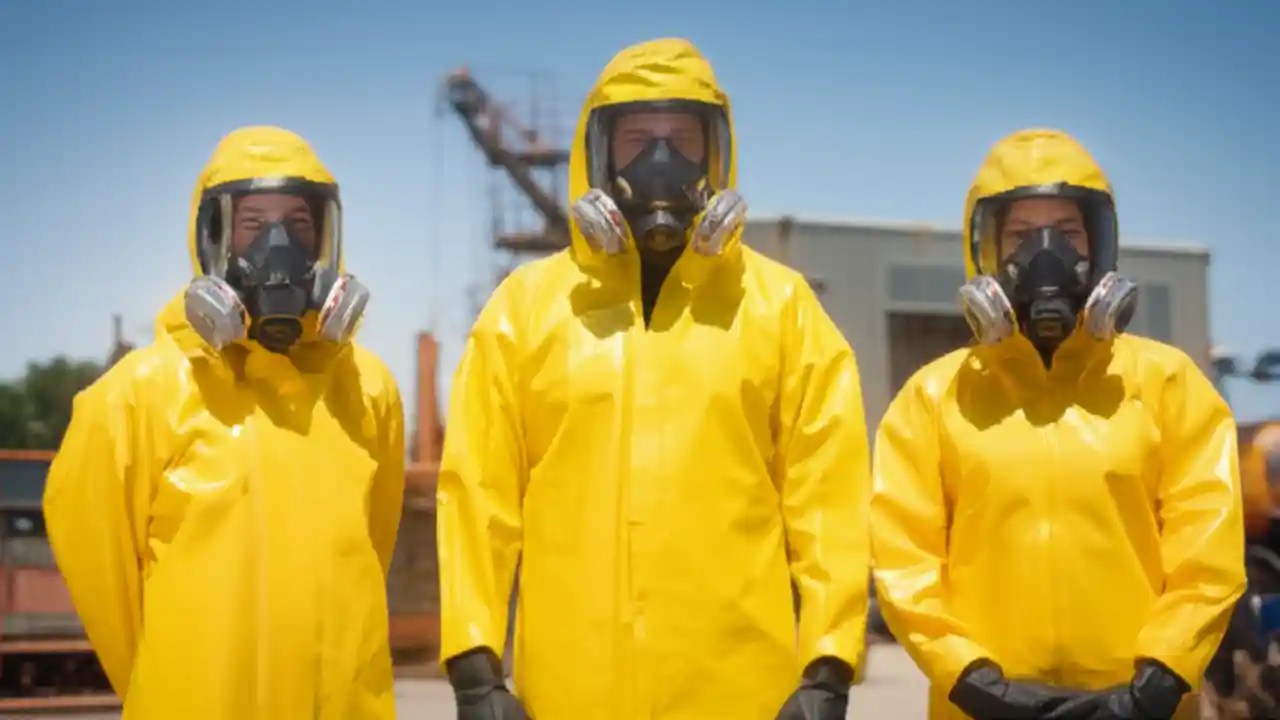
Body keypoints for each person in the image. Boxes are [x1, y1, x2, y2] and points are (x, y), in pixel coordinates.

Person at [436, 37, 871, 719]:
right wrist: (474, 667)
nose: (660, 162)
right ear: (598, 154)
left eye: (683, 140)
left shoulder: (783, 310)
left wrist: (828, 668)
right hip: (569, 695)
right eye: (637, 139)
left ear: (717, 155)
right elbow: (476, 501)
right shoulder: (524, 312)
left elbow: (829, 503)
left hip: (745, 696)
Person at [869, 127, 1247, 720]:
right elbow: (902, 560)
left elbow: (1209, 556)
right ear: (984, 250)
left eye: (1068, 233)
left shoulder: (1170, 386)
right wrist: (970, 680)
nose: (1045, 256)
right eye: (1020, 235)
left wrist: (1161, 681)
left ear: (1100, 244)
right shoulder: (934, 398)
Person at [43, 126, 405, 719]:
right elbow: (104, 584)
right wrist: (178, 682)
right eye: (254, 227)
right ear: (211, 237)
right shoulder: (135, 397)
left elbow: (376, 550)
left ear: (327, 241)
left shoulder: (369, 392)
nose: (279, 249)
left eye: (300, 224)